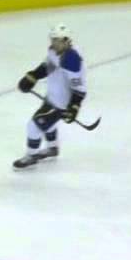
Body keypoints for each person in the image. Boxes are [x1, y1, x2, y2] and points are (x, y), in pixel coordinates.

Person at [13, 24, 87, 169]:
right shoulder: (54, 51)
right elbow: (48, 67)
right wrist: (32, 77)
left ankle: (31, 156)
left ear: (66, 41)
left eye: (57, 40)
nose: (53, 43)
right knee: (48, 124)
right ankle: (52, 148)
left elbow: (79, 88)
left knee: (33, 127)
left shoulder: (72, 60)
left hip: (61, 104)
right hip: (52, 97)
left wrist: (74, 106)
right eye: (52, 39)